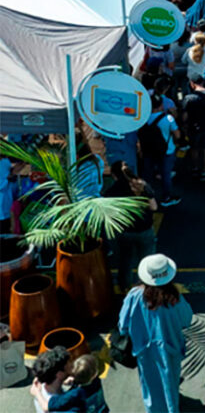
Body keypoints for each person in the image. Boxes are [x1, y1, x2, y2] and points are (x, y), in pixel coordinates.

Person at [118, 254, 193, 413]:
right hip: (170, 349)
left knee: (150, 386)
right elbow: (186, 320)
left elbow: (123, 325)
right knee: (170, 381)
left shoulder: (134, 296)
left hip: (144, 351)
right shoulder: (174, 299)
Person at [105, 161, 157, 292]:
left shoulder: (112, 191)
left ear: (114, 175)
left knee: (125, 261)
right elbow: (154, 207)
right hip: (144, 230)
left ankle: (125, 288)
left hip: (125, 232)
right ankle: (148, 287)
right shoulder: (142, 186)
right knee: (147, 261)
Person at [33, 353, 109, 413]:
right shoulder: (96, 380)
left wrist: (36, 392)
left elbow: (46, 407)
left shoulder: (74, 395)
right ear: (94, 374)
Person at [181, 78, 205, 181]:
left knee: (194, 148)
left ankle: (195, 167)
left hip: (194, 127)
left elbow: (185, 115)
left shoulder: (189, 98)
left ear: (192, 83)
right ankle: (204, 171)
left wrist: (184, 125)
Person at [29, 347, 70, 413]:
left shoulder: (40, 388)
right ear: (59, 374)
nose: (71, 366)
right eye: (68, 366)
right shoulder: (58, 406)